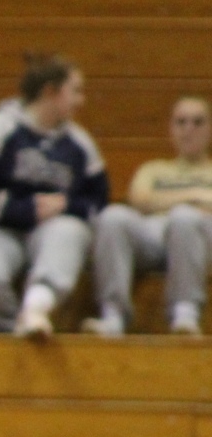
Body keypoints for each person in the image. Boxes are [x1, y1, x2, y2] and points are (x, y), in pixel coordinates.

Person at [0, 54, 108, 339]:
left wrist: (67, 205)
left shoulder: (81, 143)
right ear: (50, 91)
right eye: (75, 91)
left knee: (69, 232)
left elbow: (99, 200)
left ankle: (37, 307)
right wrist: (23, 210)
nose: (81, 100)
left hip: (52, 228)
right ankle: (16, 326)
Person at [85, 96, 212, 337]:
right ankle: (113, 315)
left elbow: (154, 202)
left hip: (201, 237)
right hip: (154, 232)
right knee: (113, 216)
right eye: (181, 122)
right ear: (171, 129)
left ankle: (185, 312)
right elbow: (140, 200)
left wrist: (170, 202)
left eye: (198, 122)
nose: (189, 130)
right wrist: (197, 196)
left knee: (184, 218)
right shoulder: (153, 169)